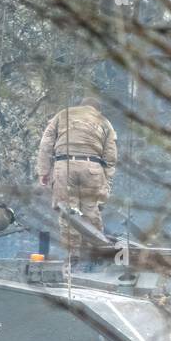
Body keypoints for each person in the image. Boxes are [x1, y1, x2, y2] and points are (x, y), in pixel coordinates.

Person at [34, 97, 117, 252]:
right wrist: (106, 180)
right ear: (97, 110)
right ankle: (95, 255)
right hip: (92, 168)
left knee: (68, 212)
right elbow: (110, 156)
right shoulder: (104, 121)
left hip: (64, 166)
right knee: (91, 211)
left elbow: (46, 144)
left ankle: (73, 256)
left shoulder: (62, 115)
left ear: (80, 106)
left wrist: (44, 171)